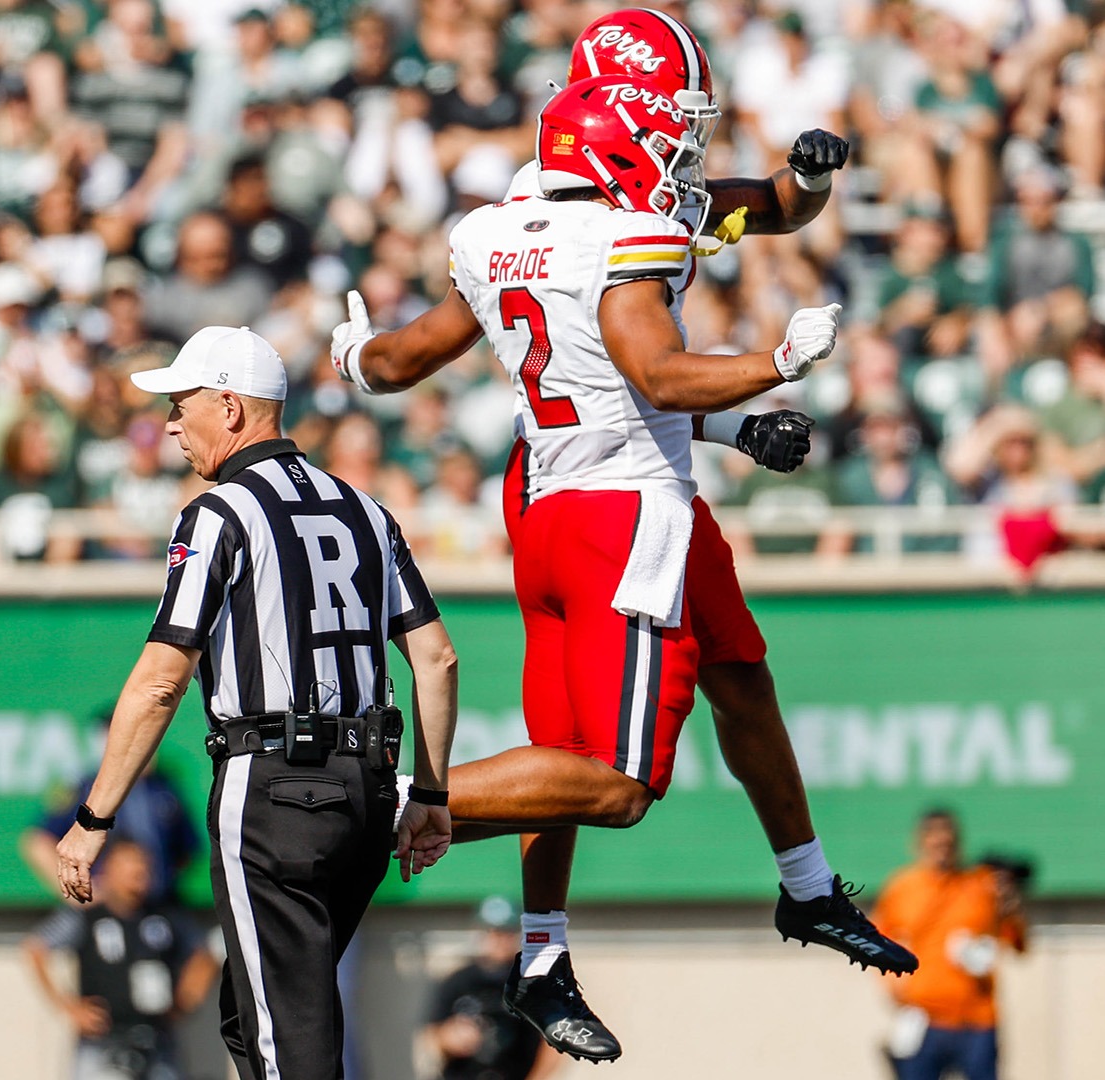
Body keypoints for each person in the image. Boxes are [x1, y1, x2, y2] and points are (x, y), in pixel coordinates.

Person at [333, 72, 876, 1062]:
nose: (686, 154)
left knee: (737, 680)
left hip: (550, 490)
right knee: (613, 779)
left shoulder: (504, 228)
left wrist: (354, 355)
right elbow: (655, 375)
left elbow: (406, 361)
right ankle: (374, 803)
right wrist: (777, 364)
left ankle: (792, 890)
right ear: (620, 136)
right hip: (623, 512)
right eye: (672, 131)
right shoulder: (633, 233)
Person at [53, 324, 461, 1080]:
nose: (170, 425)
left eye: (182, 405)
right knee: (253, 1012)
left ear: (231, 408)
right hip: (368, 792)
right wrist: (430, 792)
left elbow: (160, 680)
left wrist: (93, 819)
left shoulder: (219, 513)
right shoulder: (366, 509)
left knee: (286, 1044)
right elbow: (436, 658)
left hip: (274, 788)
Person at [25, 838, 220, 1080]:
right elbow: (35, 948)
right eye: (129, 867)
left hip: (157, 1040)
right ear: (109, 871)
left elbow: (205, 953)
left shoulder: (164, 915)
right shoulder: (88, 917)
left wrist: (186, 999)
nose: (137, 875)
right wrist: (69, 1007)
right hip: (102, 1043)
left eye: (143, 868)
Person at [871, 810, 1029, 1080]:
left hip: (976, 1019)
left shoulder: (979, 886)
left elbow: (1017, 943)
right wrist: (891, 985)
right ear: (920, 843)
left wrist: (1011, 908)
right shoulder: (903, 887)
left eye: (948, 842)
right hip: (924, 1018)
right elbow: (875, 938)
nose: (942, 849)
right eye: (935, 841)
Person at [21, 704, 201, 906]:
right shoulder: (85, 788)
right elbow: (38, 842)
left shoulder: (163, 788)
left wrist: (157, 878)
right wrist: (76, 892)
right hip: (103, 906)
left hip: (159, 906)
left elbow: (186, 849)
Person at [422, 897, 554, 1080]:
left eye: (507, 932)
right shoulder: (458, 980)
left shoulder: (533, 983)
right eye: (493, 932)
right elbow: (432, 1033)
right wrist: (450, 1038)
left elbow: (554, 1045)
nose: (499, 940)